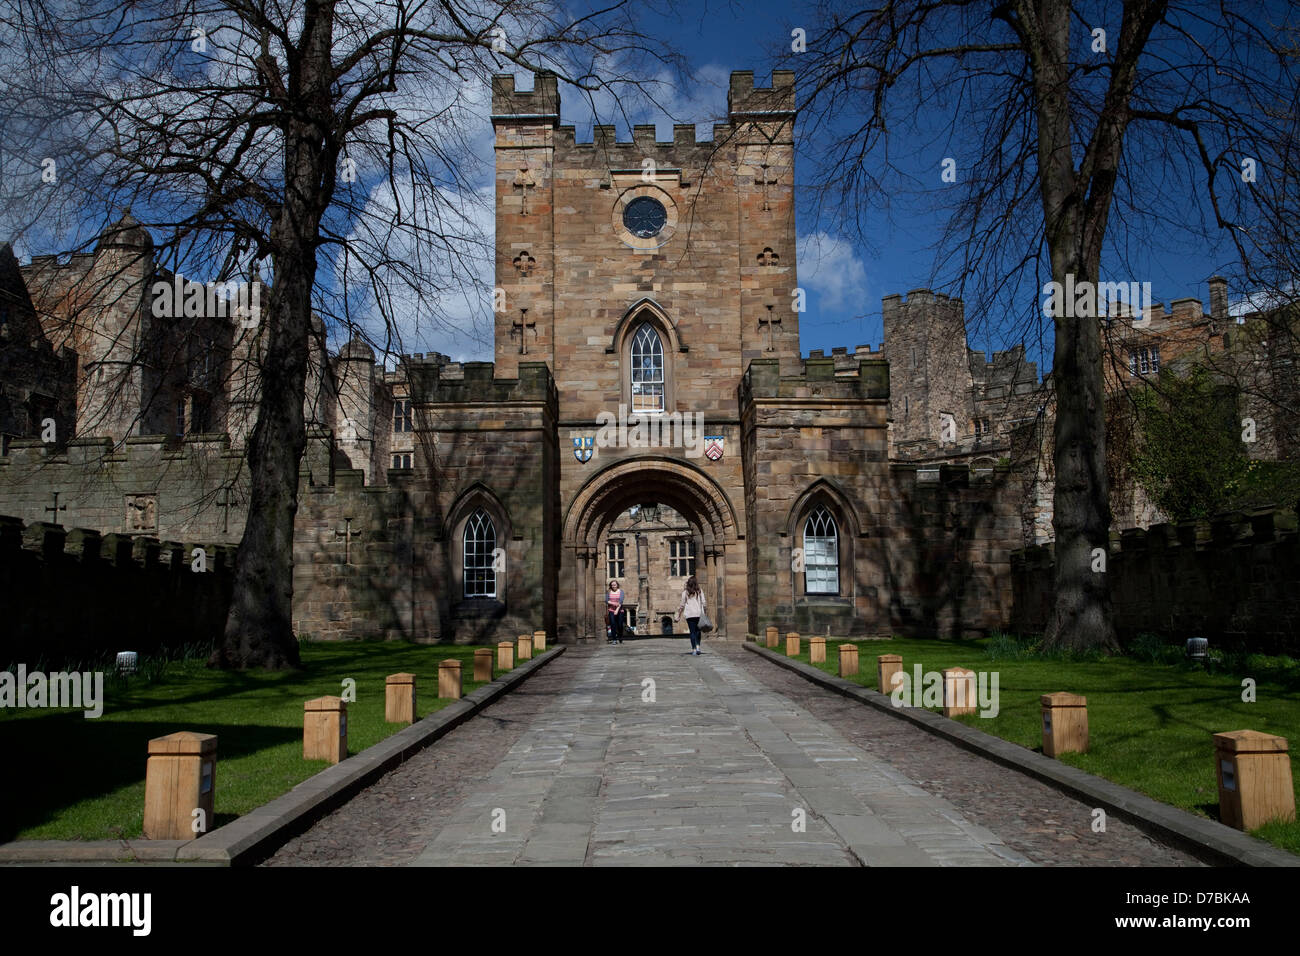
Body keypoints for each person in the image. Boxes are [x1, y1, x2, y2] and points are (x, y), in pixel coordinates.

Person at [675, 574, 706, 656]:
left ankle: (694, 650)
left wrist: (679, 614)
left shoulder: (685, 593)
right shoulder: (699, 591)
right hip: (698, 614)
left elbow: (682, 605)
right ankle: (698, 647)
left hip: (690, 615)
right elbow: (704, 603)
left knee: (692, 632)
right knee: (698, 631)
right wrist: (704, 611)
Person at [606, 579, 625, 645]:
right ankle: (614, 639)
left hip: (620, 610)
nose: (613, 586)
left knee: (620, 625)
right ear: (611, 586)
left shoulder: (621, 592)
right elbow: (606, 600)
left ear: (617, 585)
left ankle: (620, 637)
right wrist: (613, 603)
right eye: (612, 585)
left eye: (615, 585)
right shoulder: (609, 592)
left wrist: (617, 610)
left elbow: (620, 601)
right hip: (611, 610)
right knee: (613, 624)